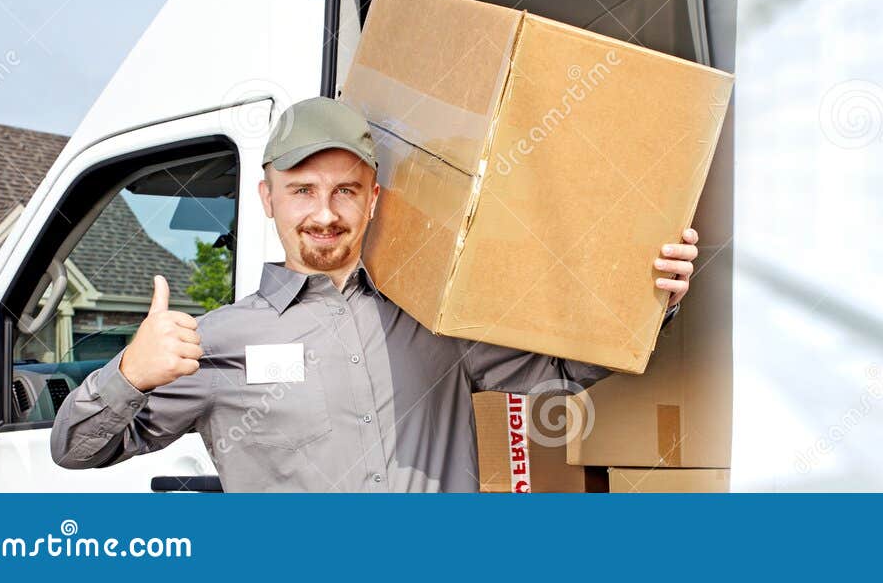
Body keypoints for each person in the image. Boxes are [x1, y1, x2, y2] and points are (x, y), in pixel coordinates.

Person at [50, 97, 699, 492]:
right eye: (301, 190)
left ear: (373, 200)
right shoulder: (217, 342)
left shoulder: (436, 317)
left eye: (346, 190)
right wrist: (128, 374)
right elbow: (77, 448)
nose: (324, 213)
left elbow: (560, 379)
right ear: (267, 198)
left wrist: (649, 299)